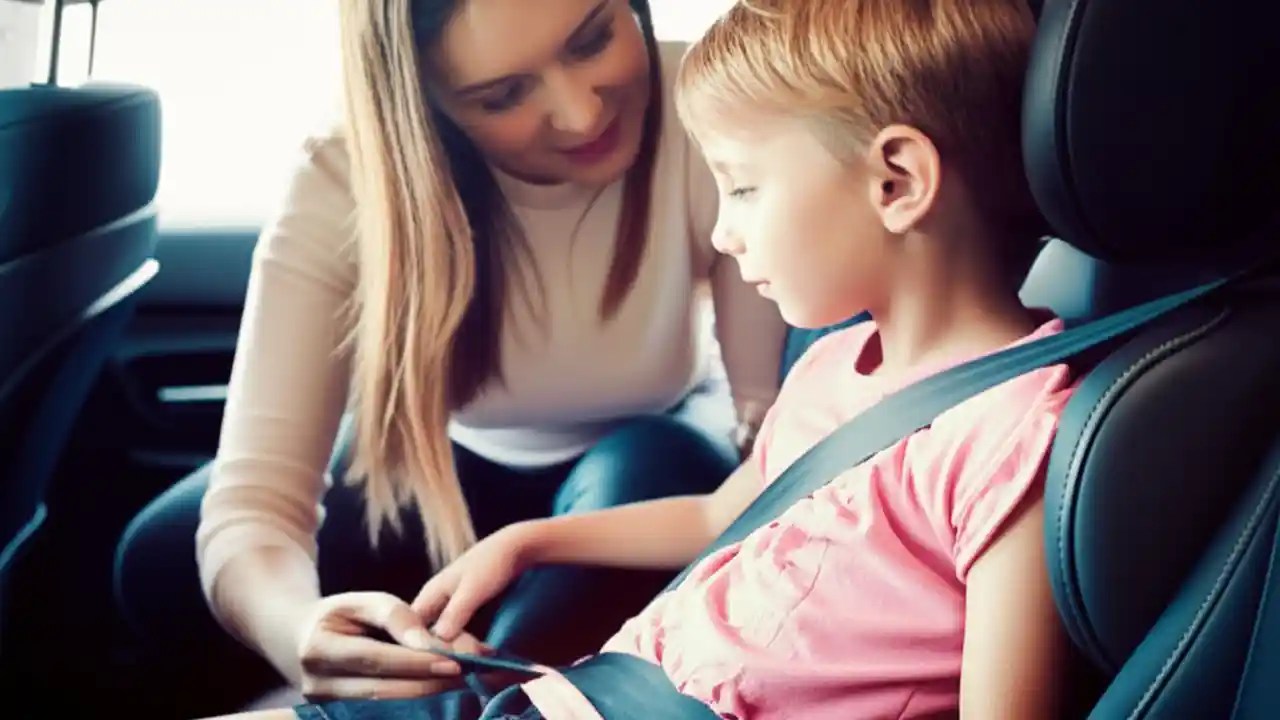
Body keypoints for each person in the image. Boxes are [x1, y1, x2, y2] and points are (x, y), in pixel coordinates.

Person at [206, 0, 1074, 717]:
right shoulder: (838, 366)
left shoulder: (1006, 440)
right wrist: (525, 543)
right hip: (608, 677)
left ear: (895, 182)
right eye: (502, 92)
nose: (721, 233)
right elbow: (721, 517)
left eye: (740, 189)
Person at [112, 0, 788, 713]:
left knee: (647, 475)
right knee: (161, 563)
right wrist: (298, 633)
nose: (582, 114)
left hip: (652, 457)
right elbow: (253, 509)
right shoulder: (345, 175)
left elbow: (761, 412)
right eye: (502, 95)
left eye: (594, 40)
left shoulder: (706, 103)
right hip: (441, 469)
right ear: (427, 107)